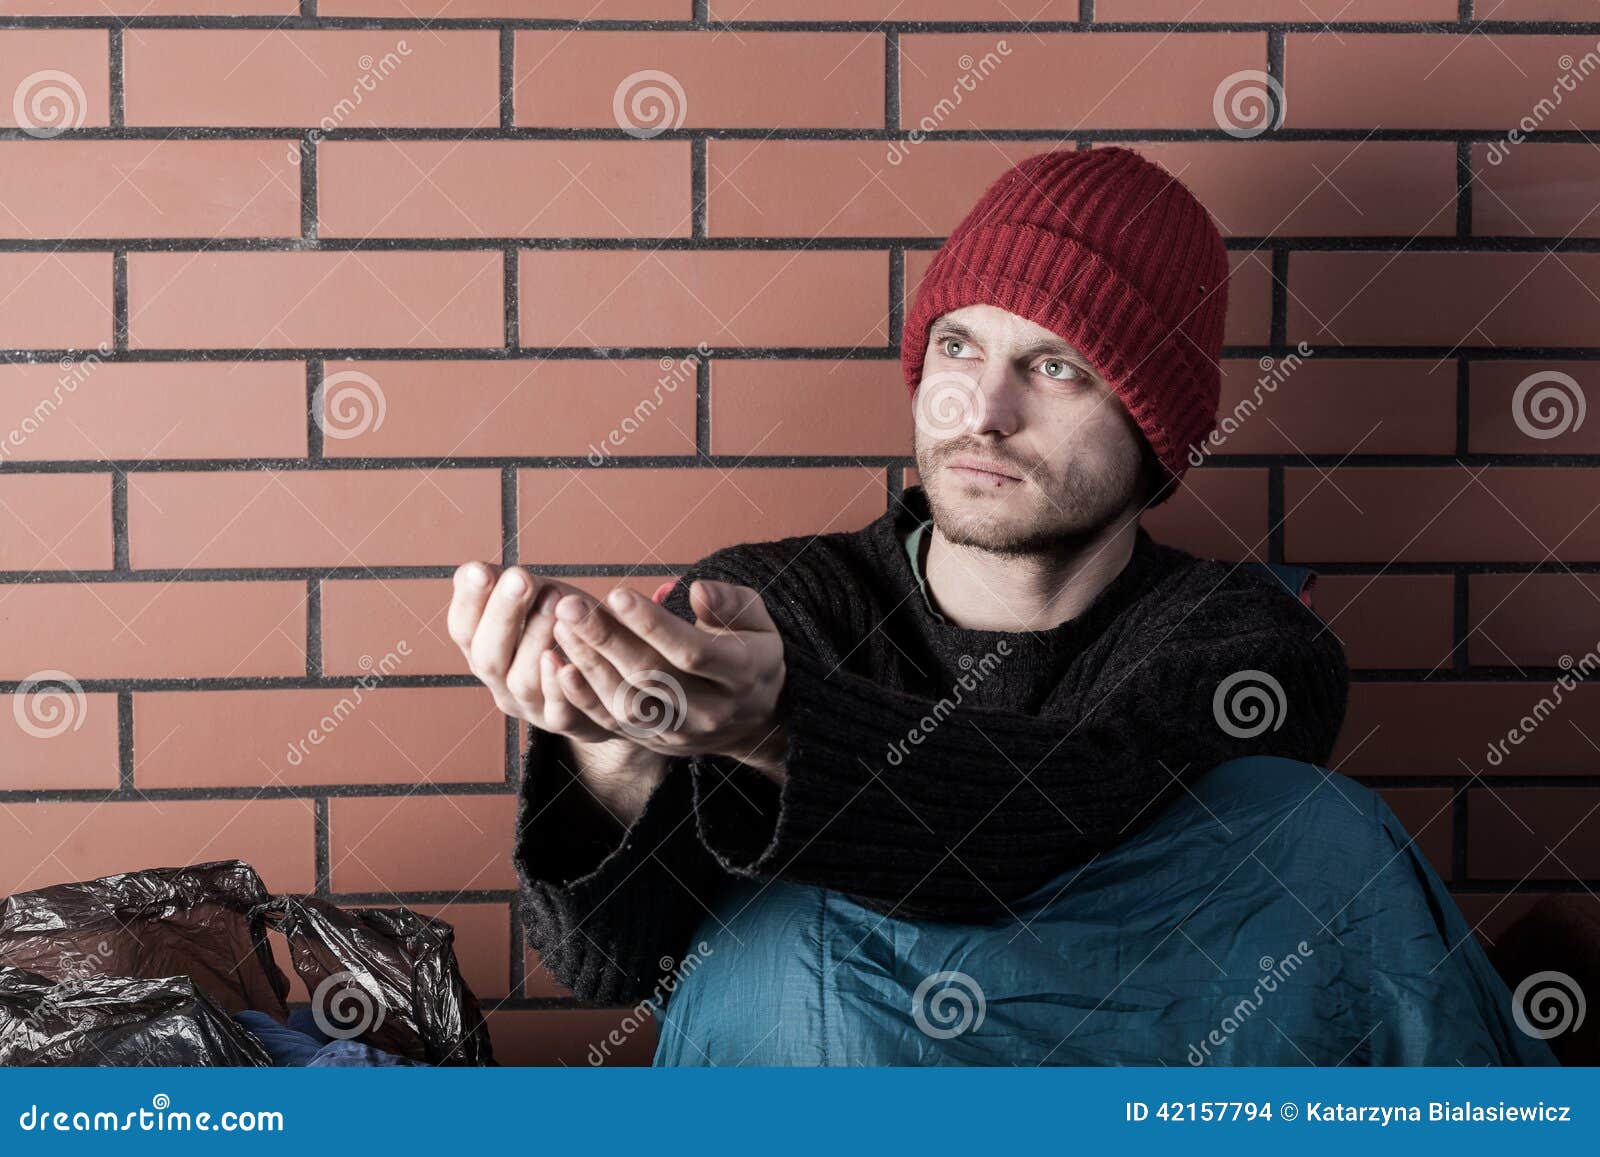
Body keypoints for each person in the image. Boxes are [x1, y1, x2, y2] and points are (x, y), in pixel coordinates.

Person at [448, 148, 1552, 1066]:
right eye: (956, 345)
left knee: (1318, 827)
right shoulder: (775, 603)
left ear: (1155, 425)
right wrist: (611, 758)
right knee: (776, 913)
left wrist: (777, 733)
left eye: (1057, 366)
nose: (982, 409)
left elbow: (1059, 817)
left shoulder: (1239, 642)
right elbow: (606, 966)